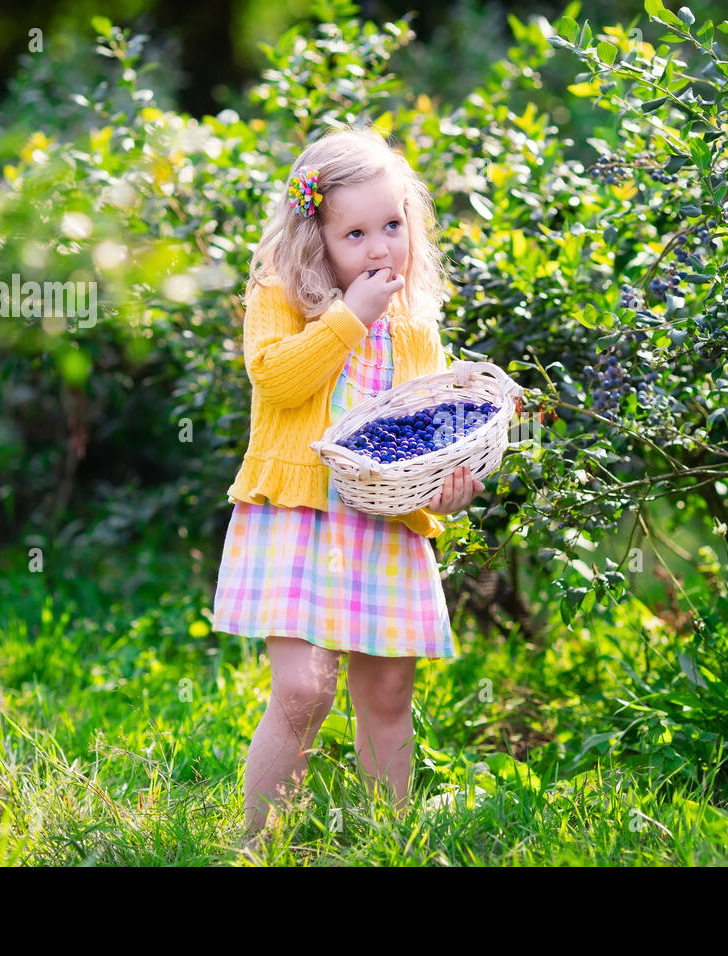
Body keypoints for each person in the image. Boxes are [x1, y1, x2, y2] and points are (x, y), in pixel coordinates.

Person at [212, 126, 487, 847]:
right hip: (296, 515)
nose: (379, 248)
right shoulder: (281, 292)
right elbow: (275, 378)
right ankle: (255, 846)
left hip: (382, 527)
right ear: (316, 241)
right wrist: (348, 317)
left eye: (393, 226)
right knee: (304, 690)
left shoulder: (414, 331)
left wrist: (444, 491)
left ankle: (386, 844)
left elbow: (419, 443)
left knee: (389, 693)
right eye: (356, 233)